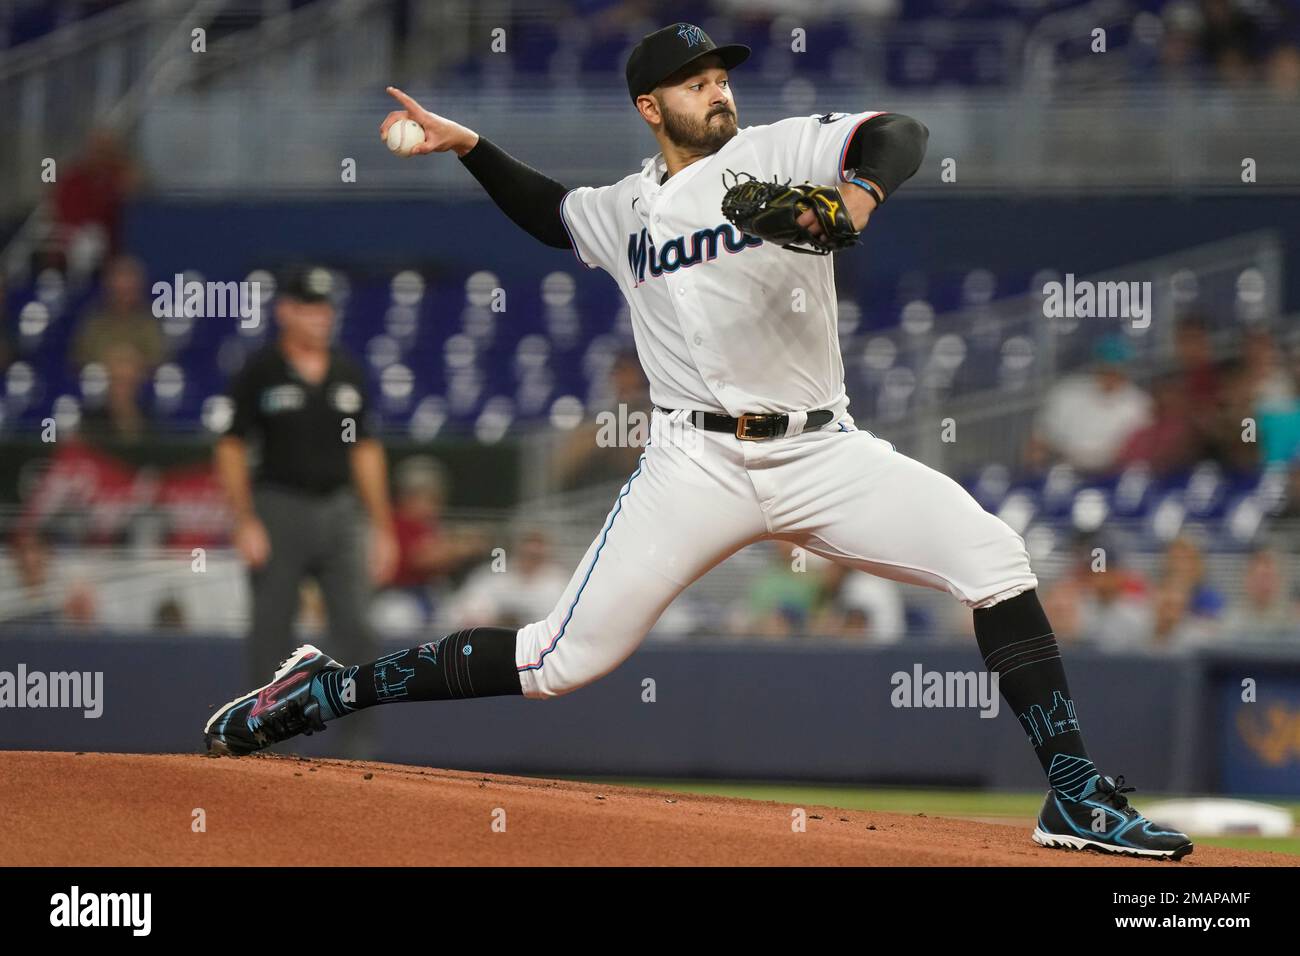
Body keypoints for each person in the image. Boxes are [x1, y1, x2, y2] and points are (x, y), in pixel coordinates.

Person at [205, 23, 1191, 859]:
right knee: (557, 660)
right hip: (696, 461)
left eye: (721, 76)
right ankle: (325, 684)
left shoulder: (773, 152)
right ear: (649, 106)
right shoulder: (626, 209)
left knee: (995, 555)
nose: (718, 90)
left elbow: (898, 130)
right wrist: (469, 146)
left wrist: (851, 201)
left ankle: (1071, 790)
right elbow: (551, 216)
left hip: (820, 450)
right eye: (695, 81)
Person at [211, 266, 397, 755]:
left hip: (339, 511)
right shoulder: (261, 370)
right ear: (285, 312)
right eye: (310, 307)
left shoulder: (347, 372)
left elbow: (366, 450)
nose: (321, 317)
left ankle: (360, 750)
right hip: (278, 508)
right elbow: (231, 446)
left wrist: (382, 526)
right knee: (272, 635)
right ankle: (262, 743)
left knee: (357, 628)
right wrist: (244, 519)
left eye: (326, 308)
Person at [71, 255, 165, 371]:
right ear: (109, 287)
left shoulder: (150, 323)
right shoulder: (93, 323)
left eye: (128, 289)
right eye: (119, 289)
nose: (123, 295)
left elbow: (158, 363)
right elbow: (80, 361)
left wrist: (131, 365)